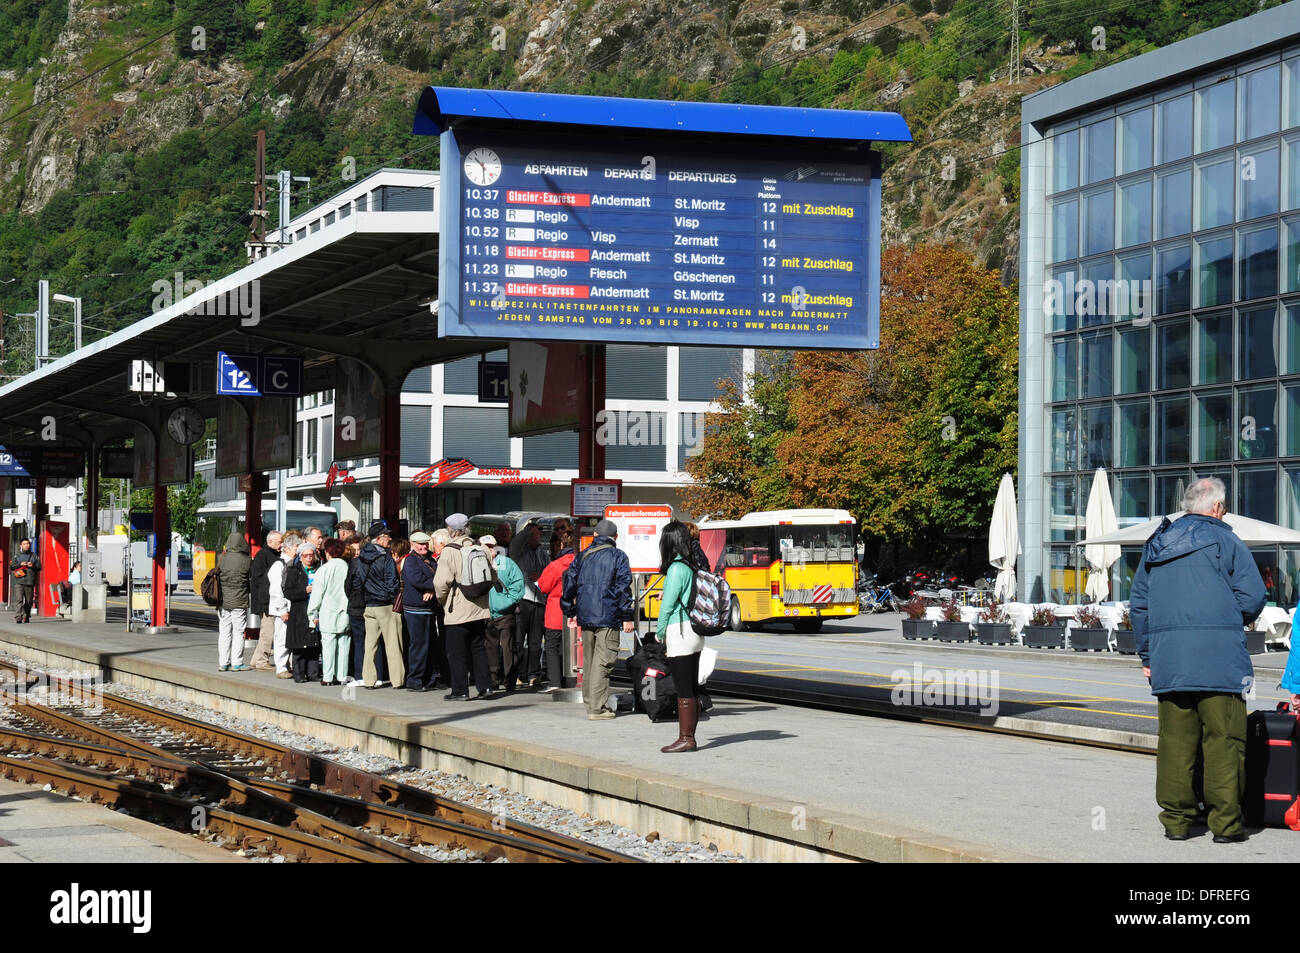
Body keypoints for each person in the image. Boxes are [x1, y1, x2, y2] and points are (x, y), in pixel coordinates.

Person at [1131, 477, 1267, 844]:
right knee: (1225, 741)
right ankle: (1225, 826)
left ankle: (1176, 822)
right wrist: (1225, 619)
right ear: (1217, 507)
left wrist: (1147, 654)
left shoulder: (1155, 544)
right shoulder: (1227, 539)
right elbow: (1254, 596)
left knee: (1175, 743)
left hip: (1169, 660)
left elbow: (1139, 605)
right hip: (1221, 661)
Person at [561, 519, 634, 720]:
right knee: (604, 661)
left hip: (585, 615)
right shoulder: (619, 556)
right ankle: (597, 708)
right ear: (615, 537)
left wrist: (570, 611)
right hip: (608, 616)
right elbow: (622, 588)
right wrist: (627, 615)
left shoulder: (582, 556)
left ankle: (590, 701)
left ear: (594, 536)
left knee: (590, 661)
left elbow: (568, 583)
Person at [432, 513, 497, 701]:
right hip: (480, 607)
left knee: (456, 651)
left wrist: (442, 600)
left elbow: (441, 582)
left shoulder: (450, 550)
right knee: (478, 647)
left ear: (451, 530)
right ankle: (485, 687)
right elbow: (492, 575)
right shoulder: (481, 548)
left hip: (457, 609)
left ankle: (460, 690)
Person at [655, 521, 706, 752]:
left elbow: (667, 605)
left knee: (683, 687)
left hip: (680, 630)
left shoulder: (676, 568)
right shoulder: (690, 564)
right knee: (692, 686)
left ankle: (686, 738)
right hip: (694, 631)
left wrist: (659, 630)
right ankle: (689, 737)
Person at [358, 521, 404, 689]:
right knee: (392, 644)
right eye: (387, 536)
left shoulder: (362, 556)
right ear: (379, 538)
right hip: (385, 605)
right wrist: (391, 596)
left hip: (369, 604)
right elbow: (392, 581)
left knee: (370, 645)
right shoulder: (385, 557)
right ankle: (397, 680)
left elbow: (357, 582)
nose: (390, 539)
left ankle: (369, 680)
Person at [510, 520, 550, 689]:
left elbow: (548, 571)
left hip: (539, 601)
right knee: (518, 640)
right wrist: (527, 530)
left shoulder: (543, 552)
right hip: (523, 599)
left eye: (538, 534)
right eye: (532, 534)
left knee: (535, 642)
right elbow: (516, 542)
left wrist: (540, 575)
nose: (536, 536)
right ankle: (518, 674)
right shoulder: (518, 551)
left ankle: (534, 674)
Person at [537, 526, 577, 693]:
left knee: (552, 647)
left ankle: (555, 682)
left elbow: (543, 586)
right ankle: (572, 680)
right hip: (576, 612)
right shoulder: (580, 563)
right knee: (574, 647)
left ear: (561, 545)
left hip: (555, 612)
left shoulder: (555, 565)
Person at [483, 534, 525, 690]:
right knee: (490, 648)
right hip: (486, 612)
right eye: (485, 547)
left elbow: (518, 584)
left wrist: (507, 602)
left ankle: (510, 680)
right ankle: (493, 680)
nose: (489, 550)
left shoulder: (507, 563)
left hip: (505, 612)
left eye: (491, 547)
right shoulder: (477, 564)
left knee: (508, 648)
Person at [308, 538, 351, 686]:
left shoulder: (324, 569)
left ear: (327, 552)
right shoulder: (347, 567)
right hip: (345, 610)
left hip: (328, 611)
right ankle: (342, 675)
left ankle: (328, 676)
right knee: (344, 644)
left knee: (328, 645)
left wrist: (312, 613)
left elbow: (317, 595)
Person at [402, 531, 440, 692]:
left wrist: (431, 589)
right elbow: (418, 580)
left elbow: (439, 576)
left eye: (425, 544)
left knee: (430, 644)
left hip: (428, 608)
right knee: (418, 645)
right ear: (413, 544)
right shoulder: (410, 561)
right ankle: (414, 680)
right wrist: (433, 586)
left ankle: (429, 678)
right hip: (415, 609)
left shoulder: (430, 559)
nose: (423, 546)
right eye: (420, 544)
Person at [283, 541, 323, 683]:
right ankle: (299, 674)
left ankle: (313, 673)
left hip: (316, 611)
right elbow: (288, 592)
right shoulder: (294, 571)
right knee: (299, 645)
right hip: (299, 611)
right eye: (305, 555)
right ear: (300, 557)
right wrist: (304, 591)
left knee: (314, 644)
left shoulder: (320, 569)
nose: (309, 558)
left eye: (311, 555)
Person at [215, 531, 252, 672]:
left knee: (224, 632)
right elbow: (250, 580)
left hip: (223, 601)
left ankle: (223, 663)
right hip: (240, 601)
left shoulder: (221, 558)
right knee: (238, 632)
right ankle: (237, 663)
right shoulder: (247, 560)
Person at [248, 531, 283, 671]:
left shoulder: (271, 554)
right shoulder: (264, 555)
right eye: (279, 542)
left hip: (266, 599)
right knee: (268, 632)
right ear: (270, 542)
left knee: (266, 631)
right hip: (266, 600)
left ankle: (256, 659)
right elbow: (258, 579)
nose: (282, 544)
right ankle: (262, 661)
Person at [268, 534, 297, 680]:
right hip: (283, 609)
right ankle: (281, 667)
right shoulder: (280, 565)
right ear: (290, 548)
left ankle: (287, 665)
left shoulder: (292, 563)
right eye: (297, 547)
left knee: (289, 637)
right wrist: (282, 609)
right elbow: (276, 591)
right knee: (282, 637)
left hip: (290, 607)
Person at [10, 538, 40, 623]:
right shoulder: (17, 556)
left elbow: (39, 567)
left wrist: (32, 565)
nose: (26, 545)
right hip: (19, 581)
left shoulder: (34, 556)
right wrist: (20, 564)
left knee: (29, 601)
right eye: (24, 544)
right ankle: (18, 616)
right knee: (19, 599)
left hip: (29, 581)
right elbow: (12, 567)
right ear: (21, 545)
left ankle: (26, 616)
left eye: (28, 544)